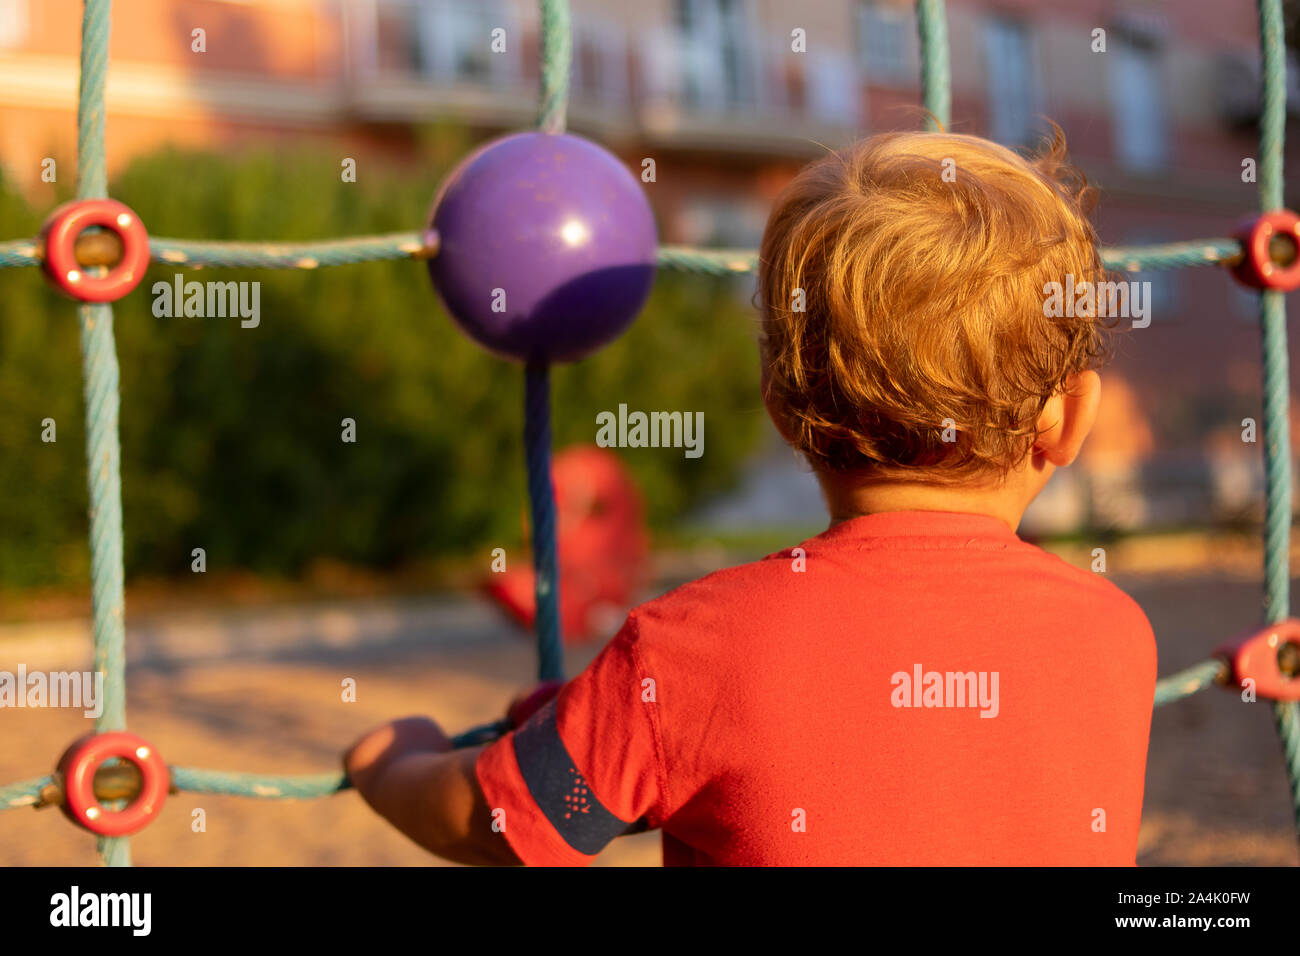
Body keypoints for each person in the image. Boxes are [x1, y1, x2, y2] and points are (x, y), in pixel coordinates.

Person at [344, 126, 1157, 866]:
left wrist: (392, 767)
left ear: (779, 402)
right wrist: (594, 730)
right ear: (1070, 417)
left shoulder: (688, 655)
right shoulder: (1118, 635)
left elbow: (507, 819)